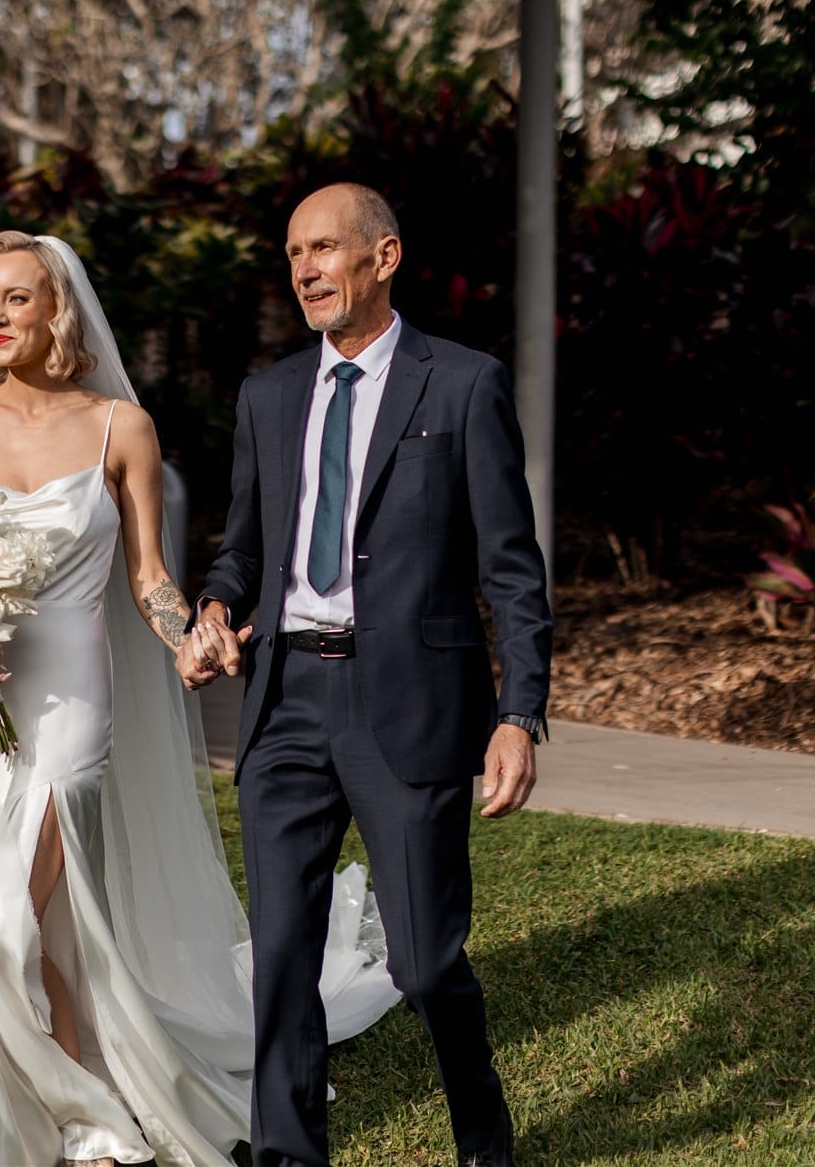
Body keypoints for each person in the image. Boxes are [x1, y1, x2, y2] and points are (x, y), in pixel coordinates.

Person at [0, 231, 401, 1167]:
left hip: (72, 699)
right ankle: (79, 1112)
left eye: (19, 299)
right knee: (46, 919)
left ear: (58, 310)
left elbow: (151, 577)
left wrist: (191, 629)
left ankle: (68, 1105)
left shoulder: (123, 427)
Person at [179, 183, 551, 1167]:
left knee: (425, 963)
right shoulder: (266, 396)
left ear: (382, 258)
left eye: (323, 249)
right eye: (293, 253)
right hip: (284, 703)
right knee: (282, 962)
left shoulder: (460, 385)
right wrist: (213, 610)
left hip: (410, 707)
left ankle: (481, 1134)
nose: (303, 270)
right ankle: (288, 1154)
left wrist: (518, 712)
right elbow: (241, 548)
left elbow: (510, 569)